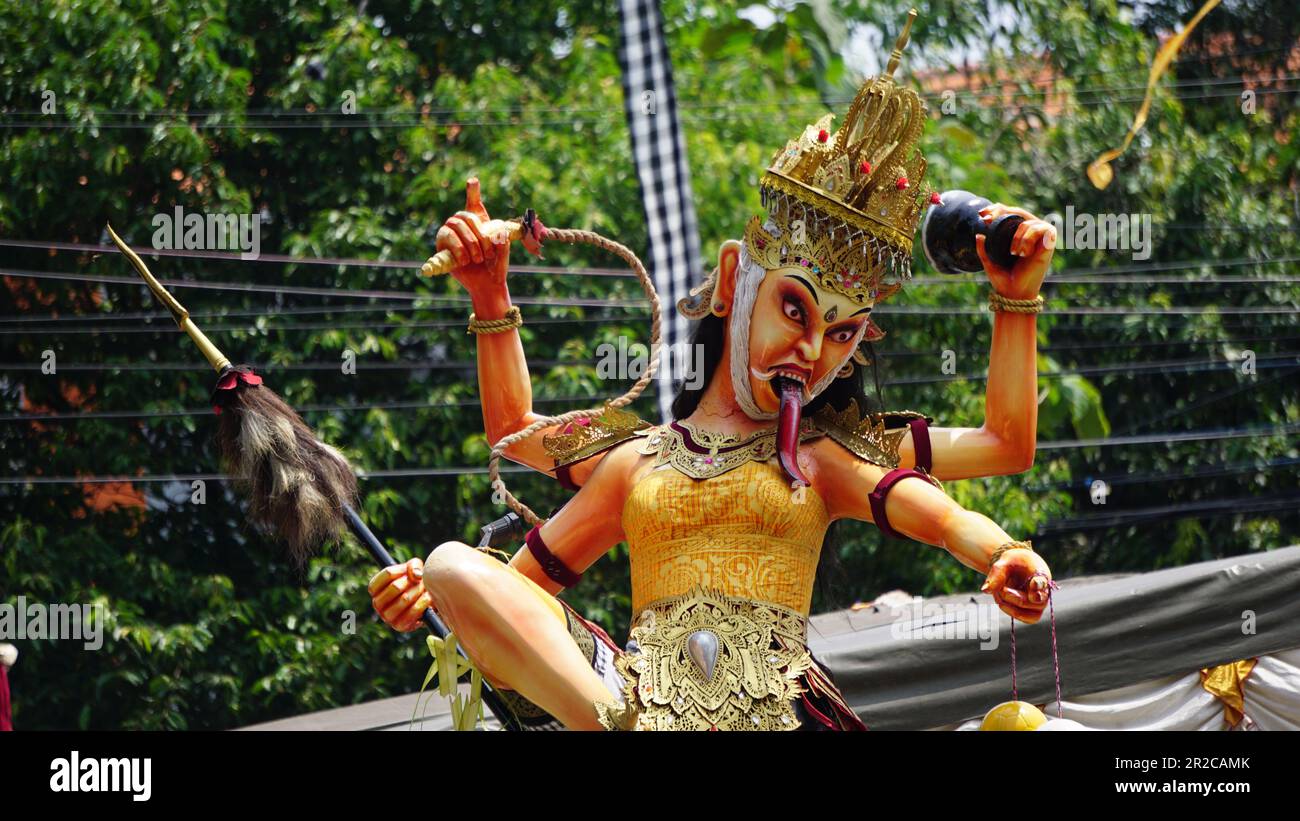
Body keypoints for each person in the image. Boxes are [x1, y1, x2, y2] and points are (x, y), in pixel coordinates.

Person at [369, 17, 1056, 731]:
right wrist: (433, 596)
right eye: (795, 308)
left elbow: (984, 469)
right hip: (637, 704)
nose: (811, 350)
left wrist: (1005, 550)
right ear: (734, 281)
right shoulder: (635, 462)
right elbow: (515, 447)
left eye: (843, 331)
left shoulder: (827, 457)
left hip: (771, 711)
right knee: (453, 564)